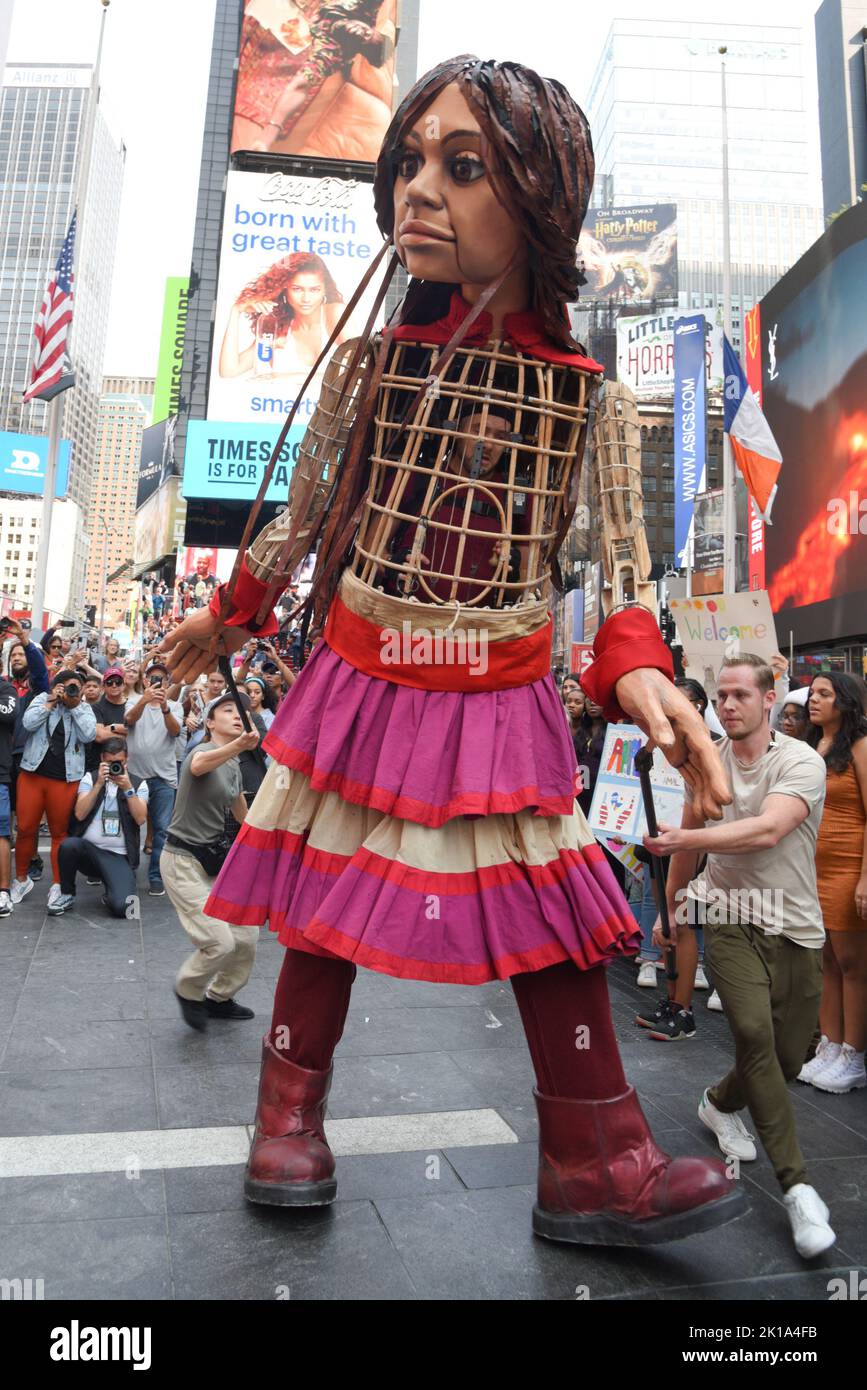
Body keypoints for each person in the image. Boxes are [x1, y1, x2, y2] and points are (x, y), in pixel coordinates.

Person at [160, 57, 742, 1245]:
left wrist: (636, 665)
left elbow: (618, 565)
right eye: (410, 162)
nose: (417, 190)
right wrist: (231, 612)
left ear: (534, 197)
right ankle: (287, 1113)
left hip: (506, 681)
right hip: (368, 669)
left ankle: (595, 1155)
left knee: (555, 919)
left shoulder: (585, 397)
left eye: (460, 167)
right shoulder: (371, 372)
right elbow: (305, 514)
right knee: (324, 902)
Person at [644, 653, 834, 1258]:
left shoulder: (800, 761)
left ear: (770, 698)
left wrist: (687, 837)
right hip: (724, 913)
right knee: (753, 1035)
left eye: (739, 695)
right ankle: (798, 1189)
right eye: (721, 696)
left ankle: (719, 1103)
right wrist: (672, 907)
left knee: (787, 1053)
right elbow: (684, 848)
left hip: (797, 923)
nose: (726, 705)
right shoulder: (708, 762)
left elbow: (767, 831)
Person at [161, 691, 260, 1030]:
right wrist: (239, 746)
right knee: (220, 942)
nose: (237, 715)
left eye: (241, 711)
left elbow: (242, 814)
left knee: (246, 937)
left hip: (212, 864)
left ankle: (219, 998)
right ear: (209, 721)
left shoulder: (233, 765)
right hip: (182, 861)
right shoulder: (202, 751)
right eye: (228, 710)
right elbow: (199, 765)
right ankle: (188, 991)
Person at [798, 672, 867, 1093]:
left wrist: (865, 878)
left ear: (846, 701)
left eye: (825, 693)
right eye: (812, 693)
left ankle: (854, 1056)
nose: (814, 700)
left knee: (852, 965)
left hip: (848, 867)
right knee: (824, 961)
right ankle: (830, 1044)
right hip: (811, 869)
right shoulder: (809, 748)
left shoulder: (860, 747)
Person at [12, 670, 96, 906]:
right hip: (32, 775)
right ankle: (21, 878)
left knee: (60, 833)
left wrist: (75, 705)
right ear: (56, 686)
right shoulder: (42, 699)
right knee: (26, 828)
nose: (71, 690)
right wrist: (51, 701)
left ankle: (58, 884)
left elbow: (89, 734)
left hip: (65, 779)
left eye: (75, 687)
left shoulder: (84, 708)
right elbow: (27, 723)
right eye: (66, 686)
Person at [50, 738, 148, 919]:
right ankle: (67, 894)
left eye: (119, 762)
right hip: (90, 852)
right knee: (68, 845)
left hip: (119, 856)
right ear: (102, 758)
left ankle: (112, 894)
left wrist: (127, 788)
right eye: (110, 762)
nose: (115, 766)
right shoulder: (91, 778)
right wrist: (98, 786)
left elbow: (141, 819)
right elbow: (79, 813)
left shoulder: (138, 783)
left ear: (127, 759)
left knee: (126, 909)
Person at [219, 253, 346, 386]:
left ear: (325, 290)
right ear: (284, 290)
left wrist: (287, 378)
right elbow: (229, 371)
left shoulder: (335, 313)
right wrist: (236, 311)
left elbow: (361, 371)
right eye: (297, 289)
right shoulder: (280, 327)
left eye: (314, 290)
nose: (306, 299)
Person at [124, 661, 182, 896]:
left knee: (162, 829)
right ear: (146, 681)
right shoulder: (134, 700)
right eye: (153, 678)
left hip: (163, 777)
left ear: (168, 684)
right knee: (130, 826)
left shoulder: (175, 706)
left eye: (162, 679)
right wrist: (144, 700)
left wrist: (165, 707)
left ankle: (156, 876)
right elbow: (129, 720)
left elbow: (175, 731)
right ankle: (128, 870)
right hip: (135, 776)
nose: (158, 682)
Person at [6, 624, 49, 883]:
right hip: (4, 758)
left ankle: (32, 857)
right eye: (13, 656)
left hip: (28, 758)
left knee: (26, 816)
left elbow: (42, 670)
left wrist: (26, 641)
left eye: (21, 654)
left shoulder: (38, 688)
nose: (17, 658)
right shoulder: (4, 688)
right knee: (6, 814)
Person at [0, 666, 18, 916]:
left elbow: (8, 714)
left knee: (1, 833)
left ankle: (3, 891)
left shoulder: (6, 689)